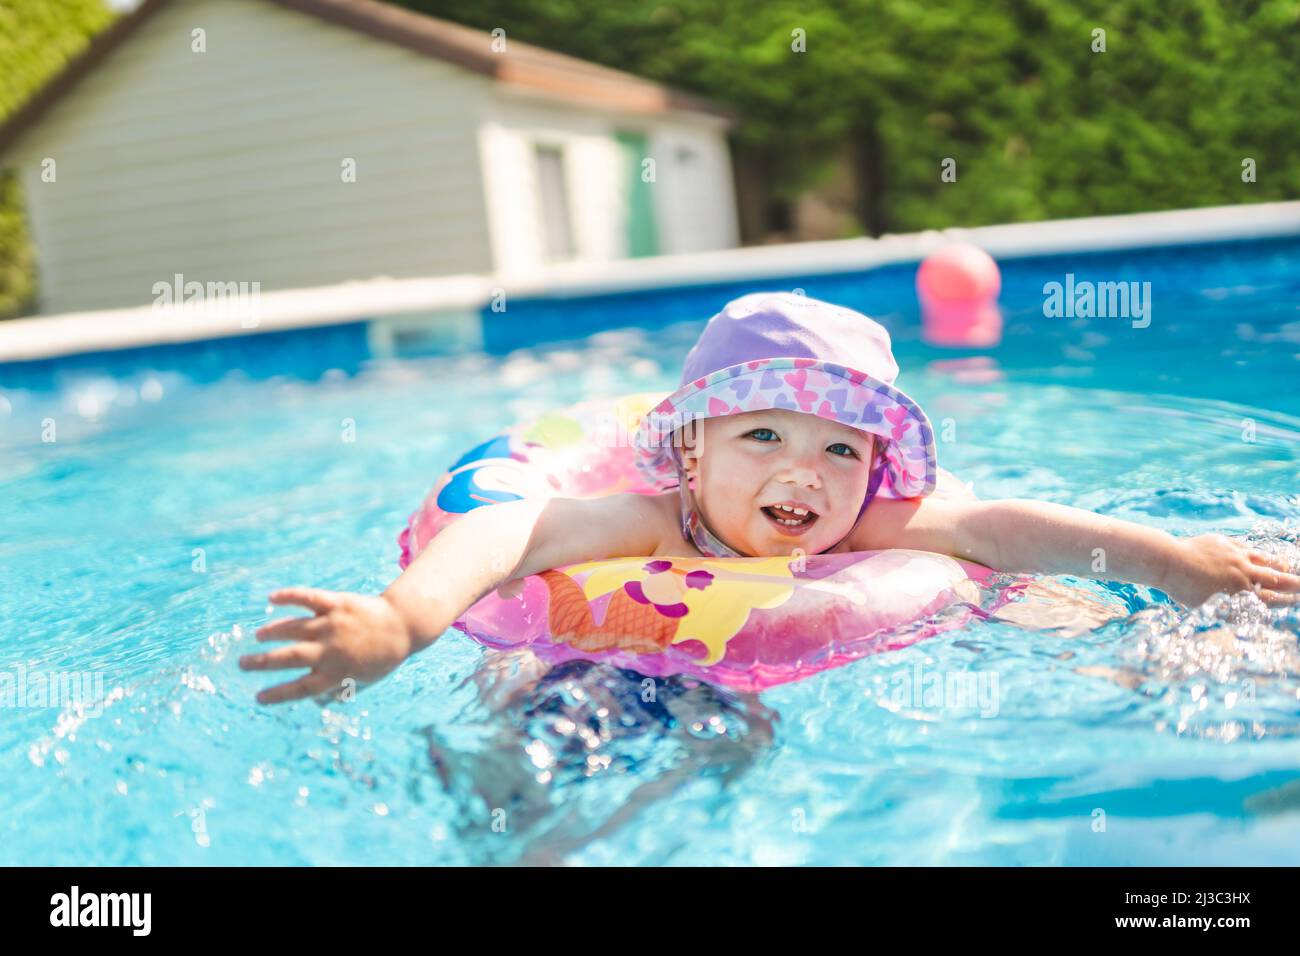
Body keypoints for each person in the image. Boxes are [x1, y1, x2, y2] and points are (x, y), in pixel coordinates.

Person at [241, 292, 1299, 704]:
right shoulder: (652, 515)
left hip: (858, 634)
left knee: (1054, 604)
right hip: (626, 656)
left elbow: (1001, 524)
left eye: (841, 448)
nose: (804, 472)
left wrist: (1173, 561)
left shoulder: (869, 522)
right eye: (762, 434)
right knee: (552, 702)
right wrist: (398, 620)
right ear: (689, 450)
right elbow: (509, 533)